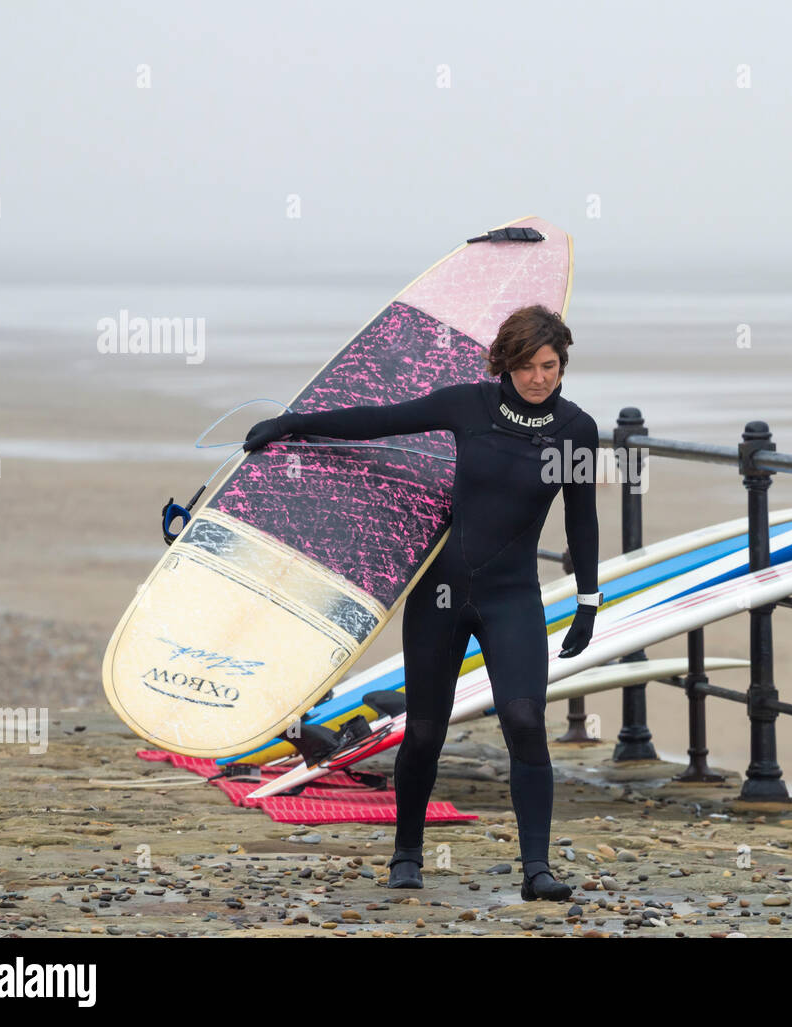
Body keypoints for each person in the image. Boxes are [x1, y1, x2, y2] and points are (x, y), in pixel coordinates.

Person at [244, 305, 601, 902]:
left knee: (525, 722)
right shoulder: (470, 406)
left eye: (550, 365)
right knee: (426, 732)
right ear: (505, 364)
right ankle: (407, 855)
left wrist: (589, 601)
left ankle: (537, 869)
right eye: (527, 366)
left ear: (563, 363)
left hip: (513, 598)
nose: (539, 377)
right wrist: (293, 423)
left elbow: (582, 518)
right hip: (442, 595)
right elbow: (382, 420)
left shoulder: (575, 429)